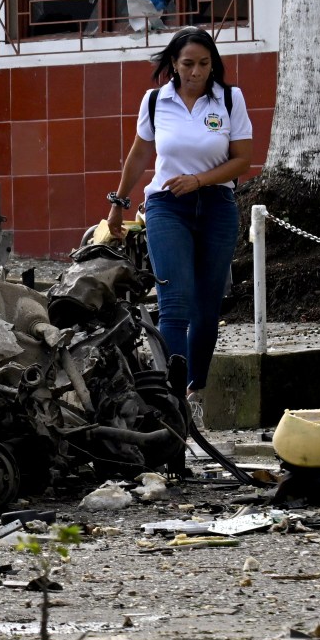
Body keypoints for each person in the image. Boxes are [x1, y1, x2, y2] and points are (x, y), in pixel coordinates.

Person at [106, 28, 254, 416]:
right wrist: (118, 204)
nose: (196, 72)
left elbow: (243, 160)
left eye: (204, 63)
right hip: (167, 206)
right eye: (188, 63)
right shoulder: (156, 101)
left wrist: (199, 180)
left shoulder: (229, 98)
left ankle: (195, 392)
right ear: (173, 63)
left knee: (207, 307)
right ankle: (172, 400)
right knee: (174, 303)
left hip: (217, 206)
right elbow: (140, 155)